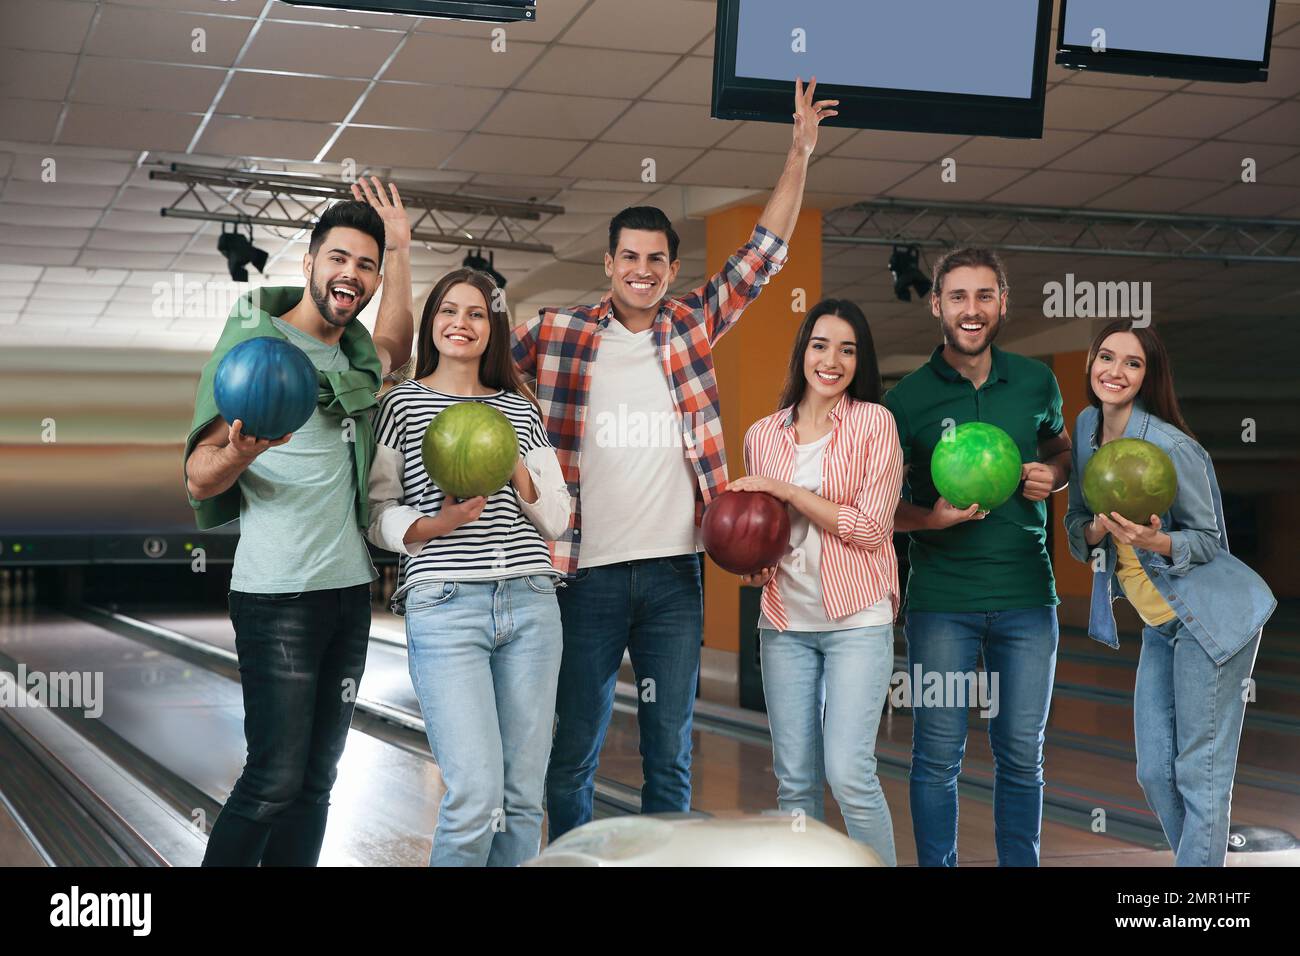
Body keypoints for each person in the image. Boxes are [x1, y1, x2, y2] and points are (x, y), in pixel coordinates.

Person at [511, 78, 838, 838]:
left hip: (674, 575)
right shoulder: (555, 332)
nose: (644, 270)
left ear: (670, 267)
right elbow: (479, 364)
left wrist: (798, 152)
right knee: (574, 752)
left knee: (670, 754)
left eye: (658, 259)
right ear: (608, 262)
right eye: (630, 257)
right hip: (582, 573)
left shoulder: (690, 323)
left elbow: (764, 253)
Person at [184, 178, 414, 866]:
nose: (353, 274)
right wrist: (237, 450)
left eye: (366, 265)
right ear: (310, 262)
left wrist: (400, 249)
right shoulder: (258, 350)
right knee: (274, 779)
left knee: (317, 783)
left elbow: (397, 341)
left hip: (347, 597)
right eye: (339, 258)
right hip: (276, 597)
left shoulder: (354, 359)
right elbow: (199, 474)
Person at [366, 268, 569, 866]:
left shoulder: (519, 406)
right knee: (476, 795)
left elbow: (556, 518)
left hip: (532, 599)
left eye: (477, 313)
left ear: (493, 327)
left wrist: (513, 465)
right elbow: (377, 514)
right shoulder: (400, 403)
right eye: (449, 311)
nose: (462, 323)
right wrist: (433, 526)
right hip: (446, 603)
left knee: (523, 798)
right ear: (432, 323)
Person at [883, 247, 1072, 867]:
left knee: (1022, 753)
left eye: (984, 296)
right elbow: (878, 506)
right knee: (937, 754)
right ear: (936, 304)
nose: (972, 309)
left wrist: (1056, 476)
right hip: (942, 604)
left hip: (1027, 597)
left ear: (1002, 304)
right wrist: (928, 519)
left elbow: (1062, 452)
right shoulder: (905, 402)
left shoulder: (1036, 382)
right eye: (958, 297)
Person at [1063, 319, 1273, 866]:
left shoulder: (1172, 446)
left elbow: (1209, 541)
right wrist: (1101, 528)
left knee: (1199, 771)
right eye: (1107, 357)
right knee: (1155, 771)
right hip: (1162, 623)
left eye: (1133, 363)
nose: (1116, 371)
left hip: (1210, 618)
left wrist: (1156, 539)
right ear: (1090, 363)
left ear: (1147, 376)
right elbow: (1077, 527)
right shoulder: (1085, 428)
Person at [728, 299, 903, 865]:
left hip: (857, 617)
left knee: (849, 772)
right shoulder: (763, 435)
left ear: (860, 361)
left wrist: (791, 493)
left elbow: (873, 528)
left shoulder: (875, 424)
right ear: (803, 352)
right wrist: (753, 562)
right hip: (785, 621)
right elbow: (765, 533)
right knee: (796, 783)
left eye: (847, 350)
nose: (832, 360)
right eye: (821, 345)